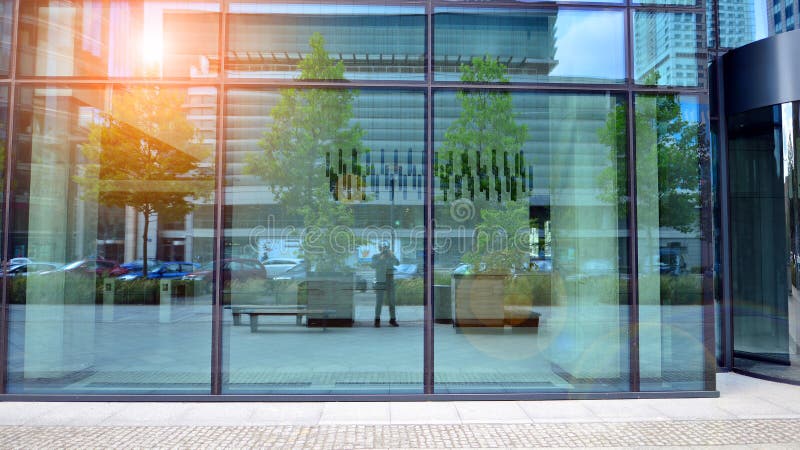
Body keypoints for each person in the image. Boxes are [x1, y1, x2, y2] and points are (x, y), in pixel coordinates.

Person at [371, 242, 399, 327]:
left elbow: (398, 263)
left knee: (392, 301)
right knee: (379, 301)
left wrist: (393, 256)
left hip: (390, 280)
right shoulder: (375, 256)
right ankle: (377, 319)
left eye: (386, 247)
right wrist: (380, 258)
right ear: (380, 248)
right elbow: (373, 266)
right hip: (380, 280)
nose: (385, 249)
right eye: (383, 247)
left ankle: (392, 319)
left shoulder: (391, 256)